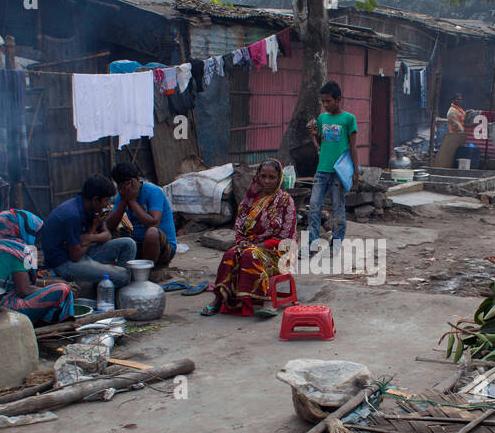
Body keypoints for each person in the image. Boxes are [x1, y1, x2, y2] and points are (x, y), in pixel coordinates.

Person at [200, 159, 297, 319]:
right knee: (230, 255)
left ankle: (267, 300)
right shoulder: (249, 200)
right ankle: (219, 298)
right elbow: (239, 228)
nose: (266, 181)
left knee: (250, 255)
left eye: (271, 177)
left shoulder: (285, 201)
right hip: (250, 246)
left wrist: (258, 245)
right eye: (263, 176)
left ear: (279, 179)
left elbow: (286, 237)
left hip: (279, 253)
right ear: (257, 176)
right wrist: (241, 242)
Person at [0, 210, 74, 325]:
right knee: (63, 290)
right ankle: (45, 323)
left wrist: (50, 284)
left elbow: (23, 282)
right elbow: (24, 290)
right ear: (22, 229)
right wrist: (54, 289)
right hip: (4, 308)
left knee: (60, 286)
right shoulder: (16, 250)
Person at [36, 175, 136, 288]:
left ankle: (114, 286)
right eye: (106, 200)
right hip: (64, 263)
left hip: (82, 251)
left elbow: (107, 235)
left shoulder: (90, 208)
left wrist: (89, 237)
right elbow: (75, 256)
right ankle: (115, 284)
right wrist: (93, 230)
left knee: (129, 244)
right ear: (96, 200)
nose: (108, 205)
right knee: (123, 275)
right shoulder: (72, 216)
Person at [305, 81, 359, 250]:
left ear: (338, 99)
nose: (325, 105)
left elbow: (353, 147)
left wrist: (356, 171)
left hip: (339, 172)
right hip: (322, 170)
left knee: (338, 208)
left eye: (328, 101)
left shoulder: (349, 119)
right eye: (323, 102)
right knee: (314, 207)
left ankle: (336, 243)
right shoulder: (322, 119)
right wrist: (315, 135)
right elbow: (322, 143)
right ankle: (311, 243)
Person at [108, 162, 177, 267]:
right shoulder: (122, 195)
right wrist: (123, 201)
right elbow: (110, 225)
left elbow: (154, 223)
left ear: (136, 179)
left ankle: (148, 271)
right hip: (139, 243)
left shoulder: (154, 192)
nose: (127, 188)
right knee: (108, 233)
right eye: (122, 185)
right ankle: (117, 272)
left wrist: (132, 201)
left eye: (129, 183)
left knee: (152, 233)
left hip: (163, 247)